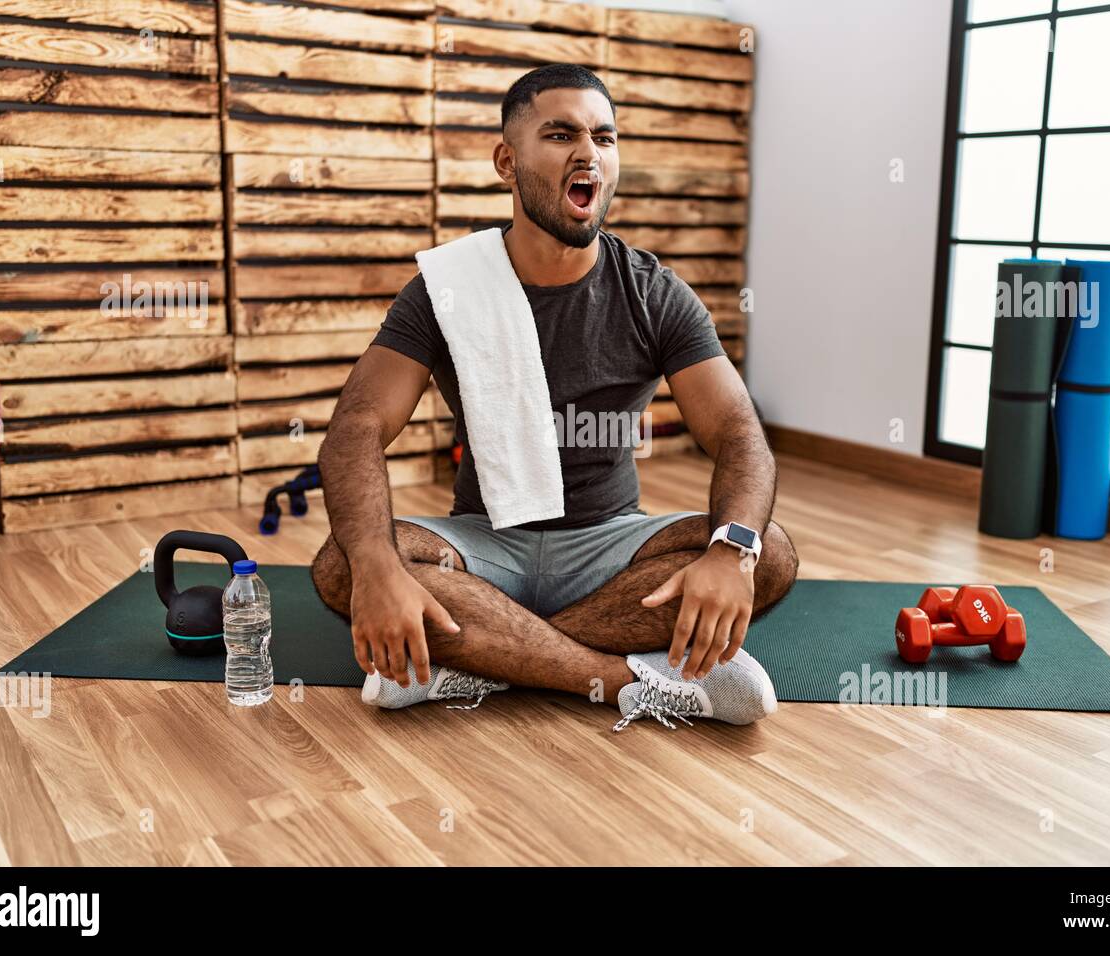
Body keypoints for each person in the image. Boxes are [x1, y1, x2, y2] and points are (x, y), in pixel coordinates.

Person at [313, 64, 798, 732]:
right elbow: (357, 426)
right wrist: (375, 567)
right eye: (561, 134)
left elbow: (738, 432)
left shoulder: (655, 294)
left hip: (610, 544)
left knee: (766, 552)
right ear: (507, 162)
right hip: (484, 541)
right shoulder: (448, 287)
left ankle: (479, 658)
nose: (588, 153)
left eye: (604, 137)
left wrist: (729, 550)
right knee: (344, 564)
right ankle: (618, 680)